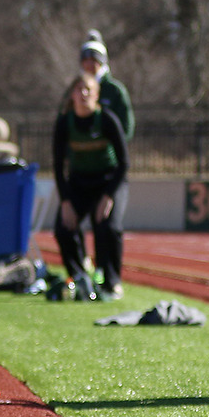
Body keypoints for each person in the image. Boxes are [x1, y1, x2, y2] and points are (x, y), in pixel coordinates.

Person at [50, 73, 129, 301]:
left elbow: (124, 163)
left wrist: (108, 196)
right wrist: (65, 201)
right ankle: (79, 277)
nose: (83, 94)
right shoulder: (65, 123)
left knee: (109, 227)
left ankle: (112, 281)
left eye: (88, 90)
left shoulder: (107, 119)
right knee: (63, 229)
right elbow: (57, 165)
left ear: (96, 95)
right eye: (79, 89)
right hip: (79, 182)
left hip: (109, 180)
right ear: (72, 94)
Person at [79, 31, 133, 291]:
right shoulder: (77, 89)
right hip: (85, 170)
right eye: (86, 58)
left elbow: (127, 128)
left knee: (109, 225)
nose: (90, 63)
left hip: (110, 171)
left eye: (95, 58)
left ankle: (112, 279)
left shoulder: (114, 91)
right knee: (70, 225)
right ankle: (83, 274)